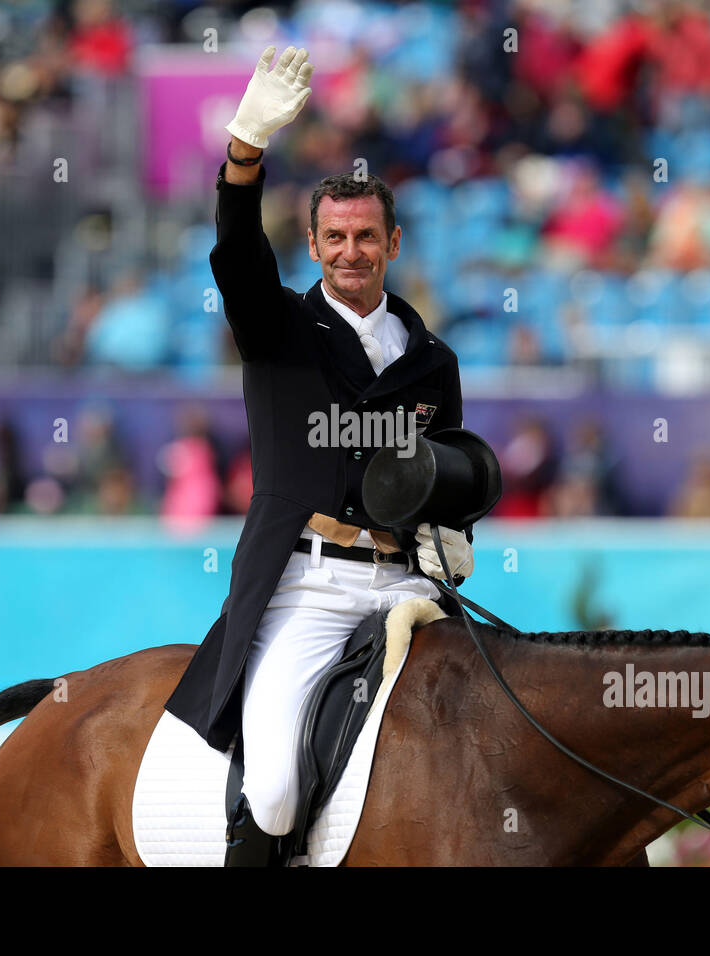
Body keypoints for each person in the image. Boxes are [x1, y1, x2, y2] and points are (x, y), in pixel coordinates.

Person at [162, 46, 476, 865]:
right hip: (308, 586)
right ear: (312, 245)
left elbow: (444, 472)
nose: (350, 252)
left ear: (394, 242)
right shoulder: (279, 331)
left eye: (366, 236)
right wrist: (245, 150)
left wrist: (454, 530)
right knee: (271, 790)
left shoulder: (432, 360)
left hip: (407, 584)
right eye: (334, 237)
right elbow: (234, 254)